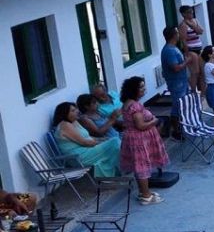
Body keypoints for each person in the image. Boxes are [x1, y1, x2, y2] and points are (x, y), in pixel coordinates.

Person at [118, 76, 170, 205]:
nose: (144, 89)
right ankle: (146, 196)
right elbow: (140, 126)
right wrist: (155, 121)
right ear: (132, 89)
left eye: (143, 86)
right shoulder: (134, 106)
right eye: (140, 87)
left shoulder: (129, 103)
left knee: (139, 166)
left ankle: (144, 191)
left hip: (136, 137)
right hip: (139, 139)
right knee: (142, 167)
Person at [52, 101, 120, 177]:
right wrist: (100, 142)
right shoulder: (65, 125)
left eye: (76, 109)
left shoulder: (74, 122)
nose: (77, 111)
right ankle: (122, 169)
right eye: (73, 111)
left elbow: (88, 137)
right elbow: (85, 142)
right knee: (114, 142)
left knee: (113, 141)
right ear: (65, 114)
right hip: (78, 157)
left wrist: (103, 139)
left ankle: (117, 171)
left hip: (86, 151)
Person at [161, 26, 190, 138]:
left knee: (182, 104)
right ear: (174, 35)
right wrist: (186, 62)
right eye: (177, 33)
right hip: (176, 83)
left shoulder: (174, 47)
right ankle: (176, 131)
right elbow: (176, 68)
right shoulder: (169, 50)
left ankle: (182, 127)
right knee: (177, 106)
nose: (179, 34)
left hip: (181, 81)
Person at [178, 4, 205, 92]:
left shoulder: (194, 21)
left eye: (191, 11)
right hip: (191, 50)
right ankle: (193, 90)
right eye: (188, 12)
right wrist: (187, 54)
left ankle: (203, 92)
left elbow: (200, 31)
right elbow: (183, 40)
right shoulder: (182, 25)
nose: (191, 14)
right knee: (195, 72)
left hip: (198, 48)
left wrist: (192, 25)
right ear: (183, 14)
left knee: (202, 71)